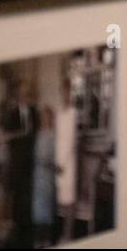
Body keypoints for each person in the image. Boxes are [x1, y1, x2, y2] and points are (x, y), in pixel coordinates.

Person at [0, 77, 38, 248]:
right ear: (19, 95)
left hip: (30, 161)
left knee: (28, 195)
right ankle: (16, 230)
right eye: (23, 93)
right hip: (17, 161)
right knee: (16, 195)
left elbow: (37, 135)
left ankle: (28, 229)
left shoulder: (34, 112)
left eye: (27, 93)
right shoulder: (13, 114)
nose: (25, 96)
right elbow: (8, 137)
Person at [54, 76, 78, 242]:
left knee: (69, 201)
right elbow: (57, 138)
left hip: (68, 162)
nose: (65, 95)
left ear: (70, 93)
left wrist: (62, 163)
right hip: (58, 161)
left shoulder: (73, 113)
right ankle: (60, 233)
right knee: (60, 199)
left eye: (67, 91)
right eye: (62, 91)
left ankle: (68, 236)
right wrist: (56, 162)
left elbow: (71, 141)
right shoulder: (58, 113)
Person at [31, 107, 56, 247]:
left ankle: (46, 240)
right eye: (43, 116)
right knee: (37, 209)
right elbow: (35, 155)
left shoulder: (53, 135)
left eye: (48, 116)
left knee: (47, 208)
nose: (45, 119)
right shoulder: (38, 134)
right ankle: (37, 240)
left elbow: (54, 156)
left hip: (48, 176)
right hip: (38, 175)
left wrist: (50, 164)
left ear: (51, 118)